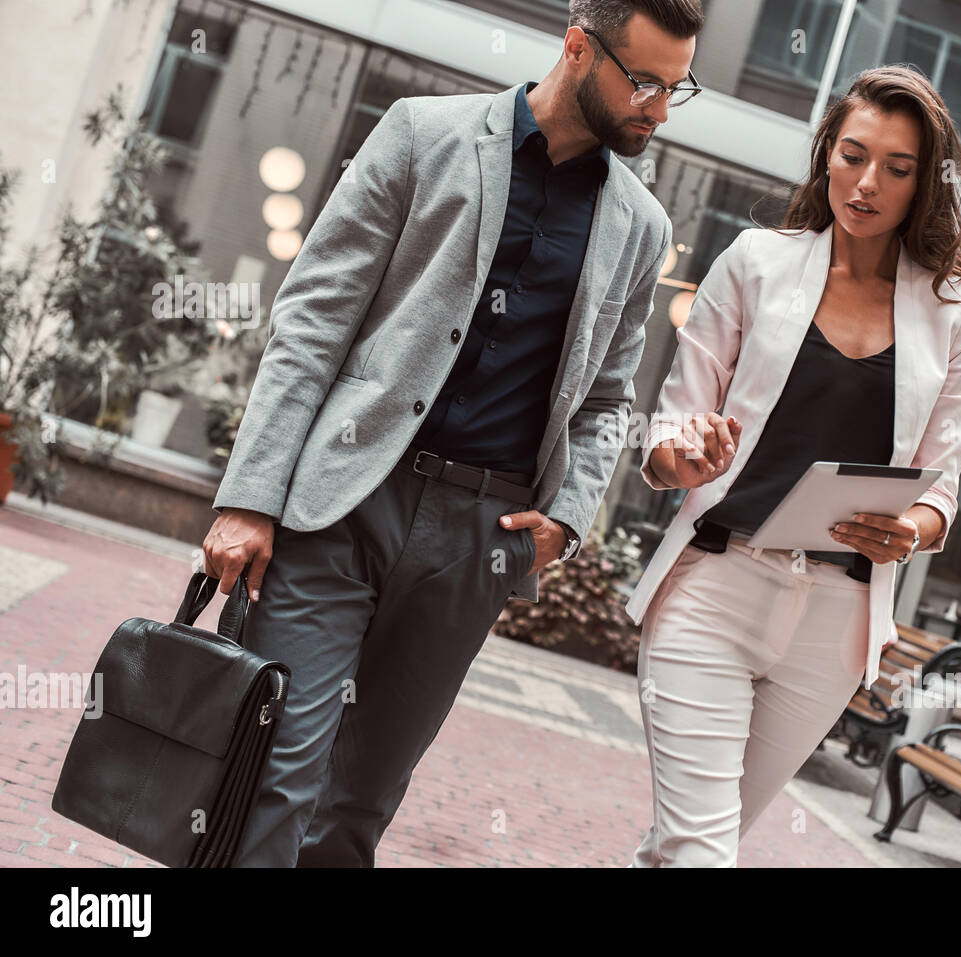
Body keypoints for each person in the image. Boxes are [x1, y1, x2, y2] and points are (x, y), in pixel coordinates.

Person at [201, 0, 705, 866]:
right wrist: (249, 499)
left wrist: (568, 520)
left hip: (481, 537)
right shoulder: (421, 135)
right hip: (345, 502)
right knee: (280, 767)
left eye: (676, 88)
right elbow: (313, 323)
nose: (658, 109)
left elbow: (608, 401)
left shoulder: (641, 228)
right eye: (646, 82)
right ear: (579, 48)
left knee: (359, 804)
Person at [623, 65, 961, 867]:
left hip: (835, 619)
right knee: (699, 848)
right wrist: (679, 456)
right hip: (715, 587)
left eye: (898, 169)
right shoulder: (755, 261)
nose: (868, 183)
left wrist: (912, 527)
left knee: (682, 848)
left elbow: (943, 486)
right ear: (827, 153)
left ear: (925, 185)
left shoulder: (957, 312)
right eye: (854, 155)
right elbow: (669, 427)